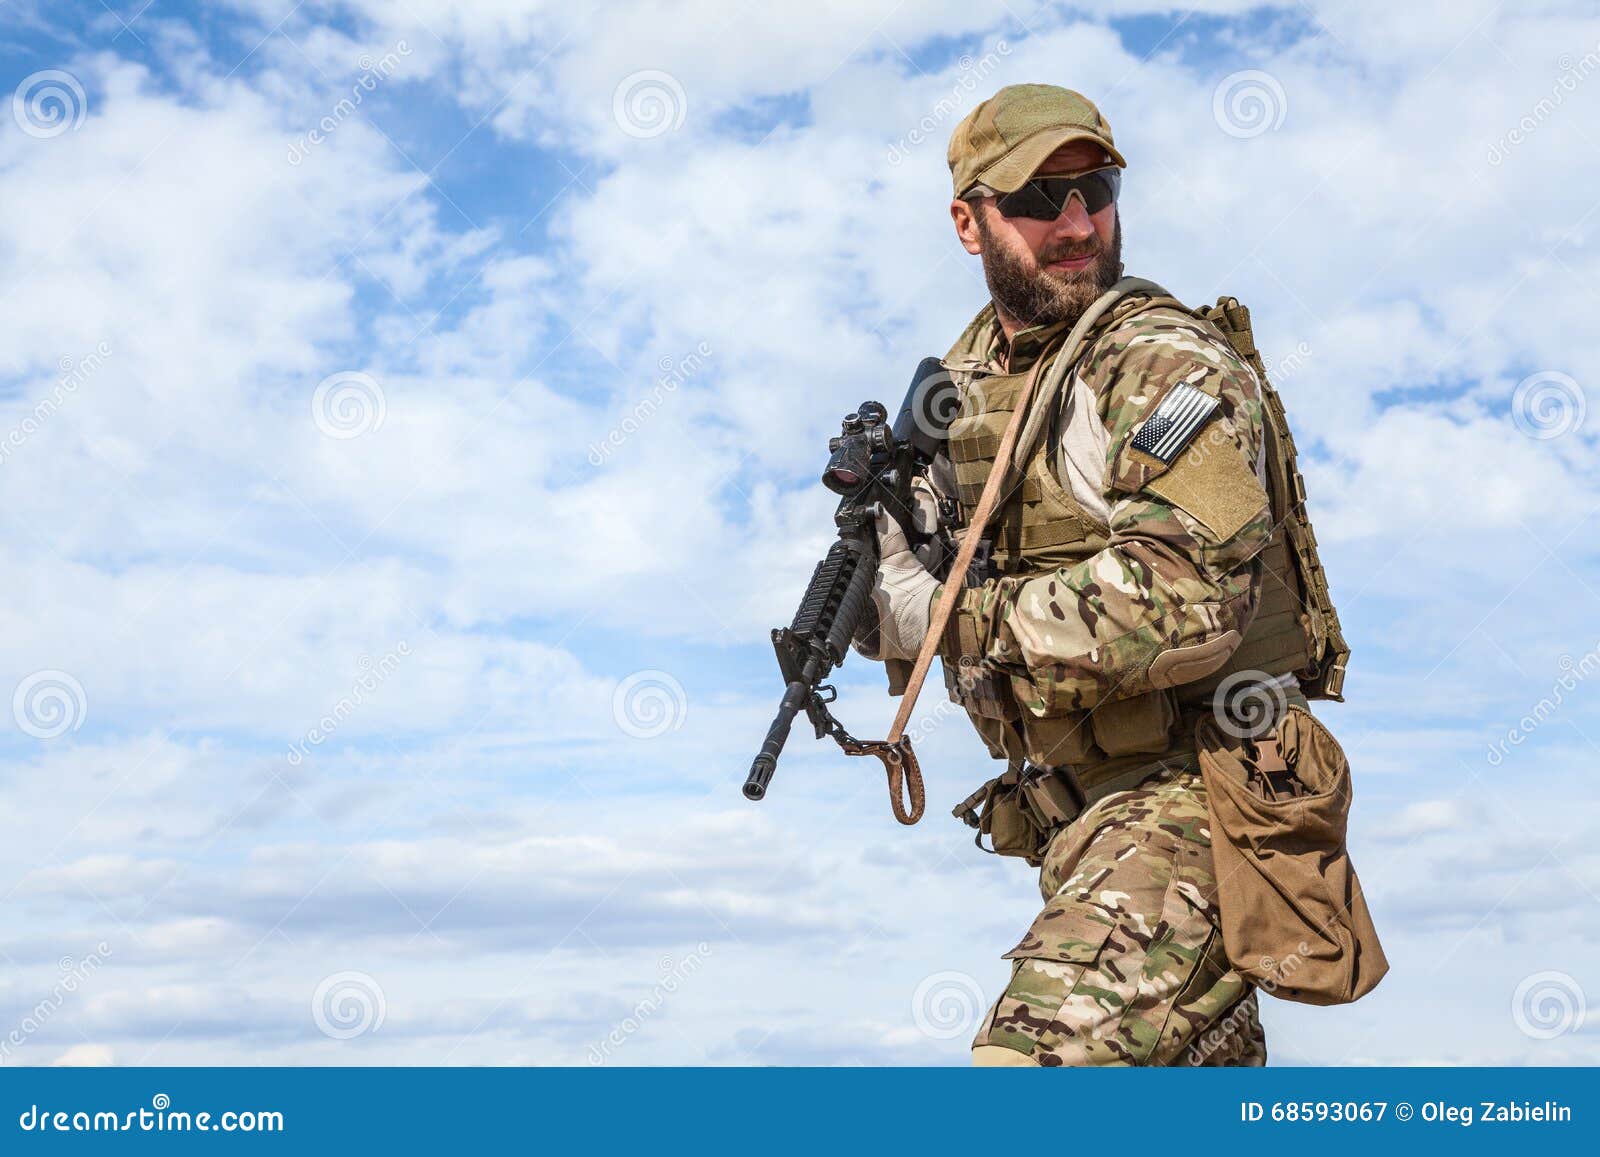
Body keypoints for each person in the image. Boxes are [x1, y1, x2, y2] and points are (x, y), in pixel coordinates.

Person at [855, 84, 1349, 1066]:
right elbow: (908, 595)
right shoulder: (961, 380)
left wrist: (945, 614)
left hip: (1197, 790)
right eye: (1038, 198)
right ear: (969, 221)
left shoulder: (1161, 362)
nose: (1076, 222)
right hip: (1071, 820)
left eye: (1095, 187)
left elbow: (1187, 602)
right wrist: (877, 586)